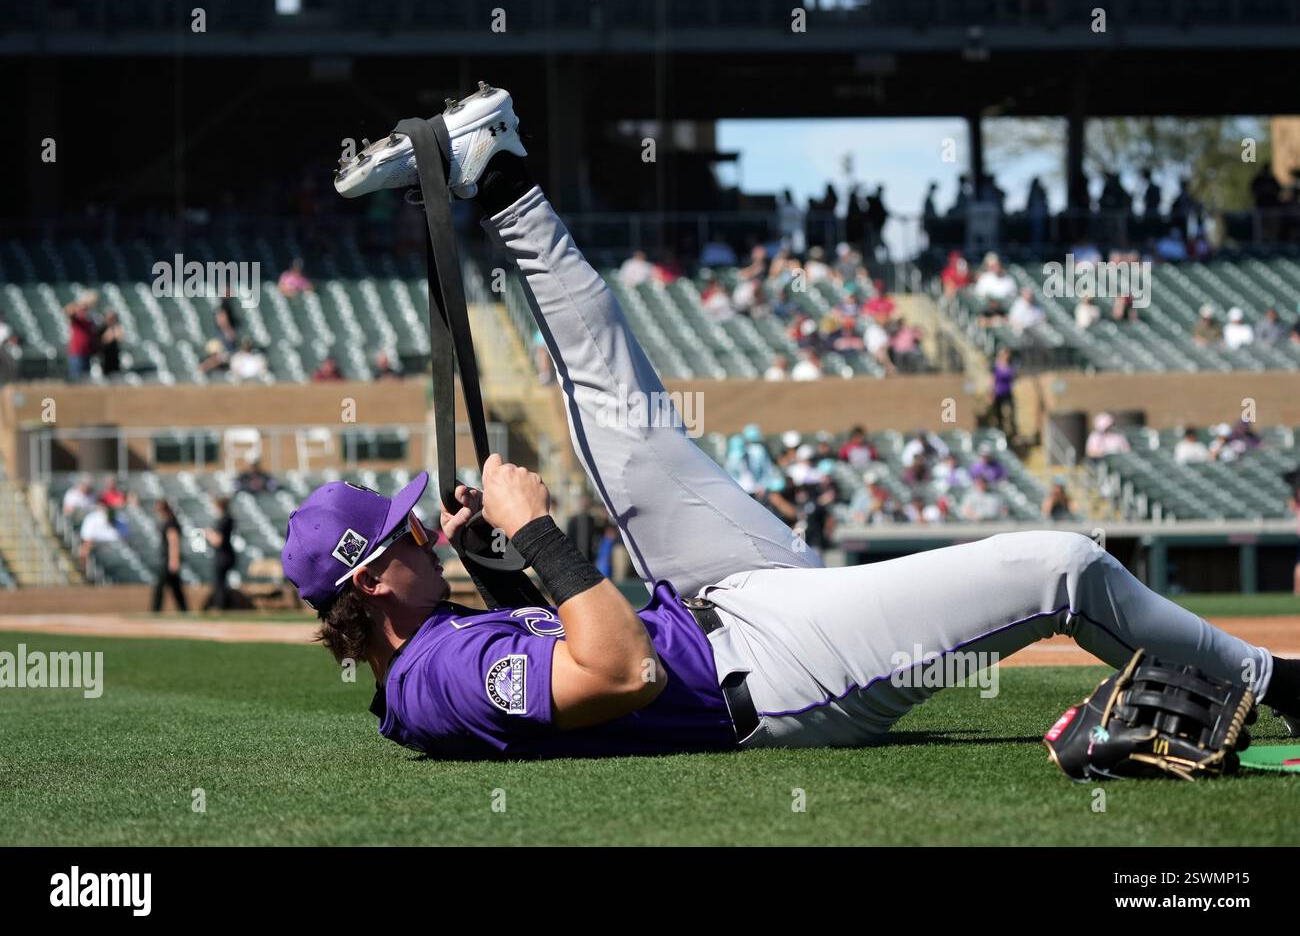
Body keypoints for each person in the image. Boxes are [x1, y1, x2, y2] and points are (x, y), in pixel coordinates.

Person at [293, 82, 1300, 760]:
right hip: (768, 677)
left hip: (714, 599)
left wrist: (491, 565)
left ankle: (500, 173)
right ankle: (1278, 681)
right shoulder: (430, 687)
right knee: (1063, 566)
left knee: (618, 406)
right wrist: (536, 534)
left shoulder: (421, 650)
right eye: (409, 529)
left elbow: (559, 644)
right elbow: (618, 667)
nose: (426, 525)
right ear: (372, 577)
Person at [152, 499, 188, 613]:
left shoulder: (170, 523)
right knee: (176, 588)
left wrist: (174, 560)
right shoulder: (168, 522)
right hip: (167, 559)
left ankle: (156, 610)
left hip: (168, 560)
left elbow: (174, 541)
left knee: (159, 587)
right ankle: (184, 609)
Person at [206, 496, 236, 611]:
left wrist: (208, 534)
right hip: (226, 554)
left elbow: (218, 541)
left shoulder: (223, 520)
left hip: (223, 556)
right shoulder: (228, 518)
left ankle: (221, 606)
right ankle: (223, 605)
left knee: (220, 583)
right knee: (221, 582)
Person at [64, 291, 99, 382]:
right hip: (77, 353)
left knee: (84, 382)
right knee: (76, 381)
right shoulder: (78, 313)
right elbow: (69, 311)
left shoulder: (90, 315)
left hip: (87, 353)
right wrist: (81, 304)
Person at [79, 497, 121, 570]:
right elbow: (87, 539)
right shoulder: (92, 518)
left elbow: (125, 538)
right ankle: (83, 570)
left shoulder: (120, 518)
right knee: (85, 549)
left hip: (114, 547)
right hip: (97, 546)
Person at [989, 348, 1016, 440]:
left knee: (1008, 414)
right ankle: (1000, 432)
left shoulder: (1010, 366)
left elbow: (1012, 378)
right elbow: (993, 379)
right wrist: (991, 393)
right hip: (998, 394)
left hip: (1007, 393)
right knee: (998, 416)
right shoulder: (997, 366)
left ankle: (1009, 433)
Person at [97, 311, 124, 378]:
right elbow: (103, 341)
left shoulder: (115, 327)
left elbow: (120, 337)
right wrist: (111, 336)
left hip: (115, 356)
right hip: (105, 357)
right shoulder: (102, 328)